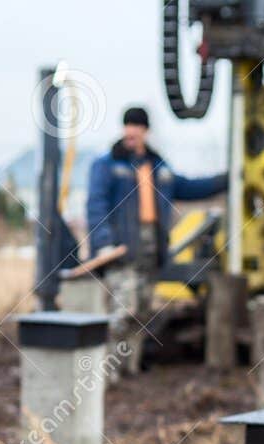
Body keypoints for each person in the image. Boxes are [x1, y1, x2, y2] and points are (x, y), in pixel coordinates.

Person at [86, 106, 228, 373]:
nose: (131, 131)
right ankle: (105, 372)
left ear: (145, 131)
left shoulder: (158, 168)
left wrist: (226, 180)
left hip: (151, 250)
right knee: (123, 311)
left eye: (136, 126)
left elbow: (188, 187)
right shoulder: (108, 166)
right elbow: (96, 205)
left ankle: (129, 368)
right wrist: (104, 242)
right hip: (122, 250)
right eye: (127, 126)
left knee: (141, 314)